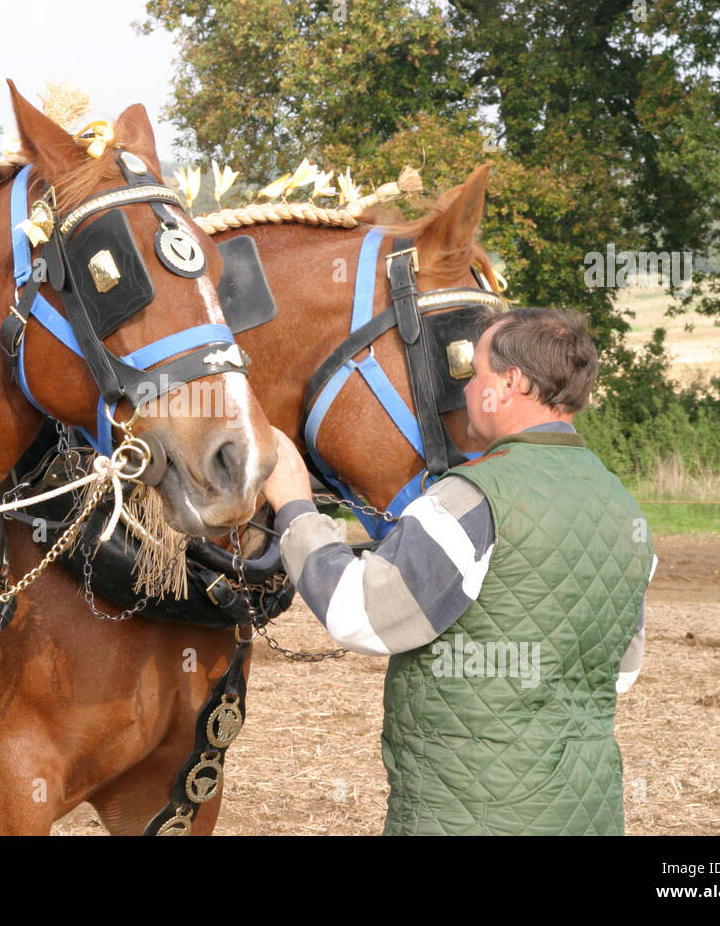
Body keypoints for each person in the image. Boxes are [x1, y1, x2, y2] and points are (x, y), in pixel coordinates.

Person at [263, 307, 655, 835]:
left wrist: (293, 507)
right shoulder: (625, 509)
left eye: (475, 374)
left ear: (511, 382)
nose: (467, 391)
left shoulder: (470, 498)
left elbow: (361, 613)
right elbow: (621, 672)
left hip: (465, 817)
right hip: (590, 815)